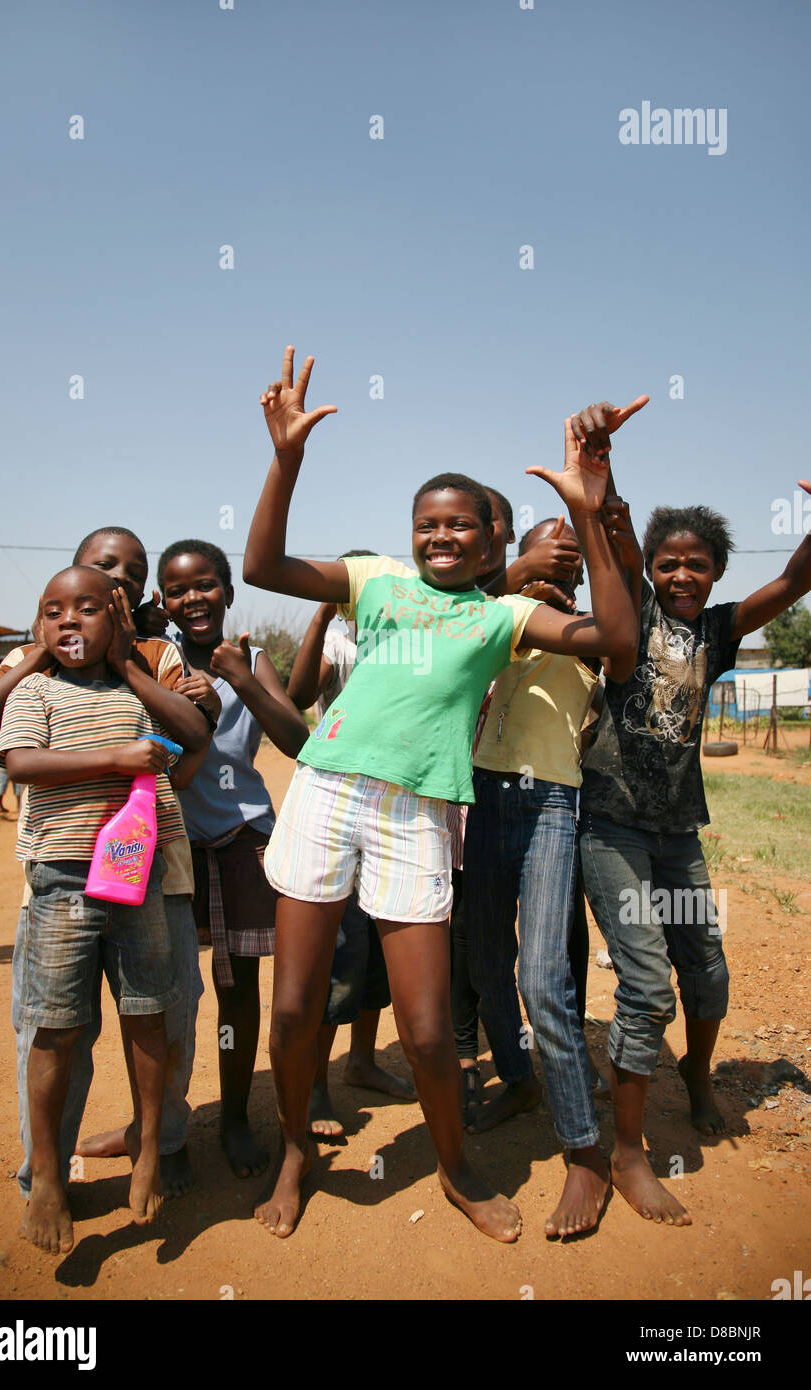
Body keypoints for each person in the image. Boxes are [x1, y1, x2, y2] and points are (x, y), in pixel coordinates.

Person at [240, 346, 639, 1242]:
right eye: (429, 524)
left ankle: (456, 1167)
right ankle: (295, 1149)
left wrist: (594, 511)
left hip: (418, 813)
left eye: (461, 526)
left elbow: (617, 637)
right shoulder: (374, 578)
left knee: (425, 1030)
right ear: (410, 530)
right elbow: (262, 565)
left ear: (496, 541)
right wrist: (287, 457)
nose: (442, 538)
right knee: (296, 1006)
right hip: (328, 791)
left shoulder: (504, 616)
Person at [575, 401, 811, 1226]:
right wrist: (604, 479)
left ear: (715, 573)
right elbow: (615, 537)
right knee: (645, 983)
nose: (681, 574)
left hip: (678, 831)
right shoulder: (633, 612)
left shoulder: (718, 629)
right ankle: (629, 1153)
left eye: (698, 564)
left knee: (706, 971)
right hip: (611, 826)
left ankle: (700, 1080)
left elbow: (793, 582)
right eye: (670, 562)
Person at [0, 525, 211, 1203]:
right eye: (103, 567)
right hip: (62, 874)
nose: (119, 578)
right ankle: (45, 1168)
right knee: (57, 1026)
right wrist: (39, 655)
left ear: (132, 596)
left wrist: (129, 661)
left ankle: (161, 1144)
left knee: (161, 1013)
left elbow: (189, 744)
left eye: (130, 572)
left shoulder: (156, 659)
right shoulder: (32, 664)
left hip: (155, 875)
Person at [463, 506, 637, 1238]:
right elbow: (450, 618)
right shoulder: (490, 616)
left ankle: (585, 1153)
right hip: (482, 793)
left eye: (572, 559)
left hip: (549, 803)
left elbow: (623, 643)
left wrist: (580, 572)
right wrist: (517, 584)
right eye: (546, 555)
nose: (559, 565)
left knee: (542, 975)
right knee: (482, 959)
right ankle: (521, 1078)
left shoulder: (591, 632)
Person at [157, 538, 310, 1177]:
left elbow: (300, 739)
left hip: (243, 838)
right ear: (162, 602)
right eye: (177, 589)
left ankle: (238, 1118)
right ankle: (157, 1127)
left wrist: (242, 680)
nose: (193, 598)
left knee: (238, 988)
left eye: (205, 585)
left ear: (227, 589)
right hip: (169, 841)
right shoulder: (151, 661)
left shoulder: (249, 658)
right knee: (161, 990)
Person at [287, 588, 415, 1138]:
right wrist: (320, 614)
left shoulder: (413, 646)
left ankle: (362, 1061)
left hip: (397, 817)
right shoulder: (339, 645)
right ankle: (317, 1084)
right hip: (339, 812)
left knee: (379, 957)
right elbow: (296, 695)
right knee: (337, 956)